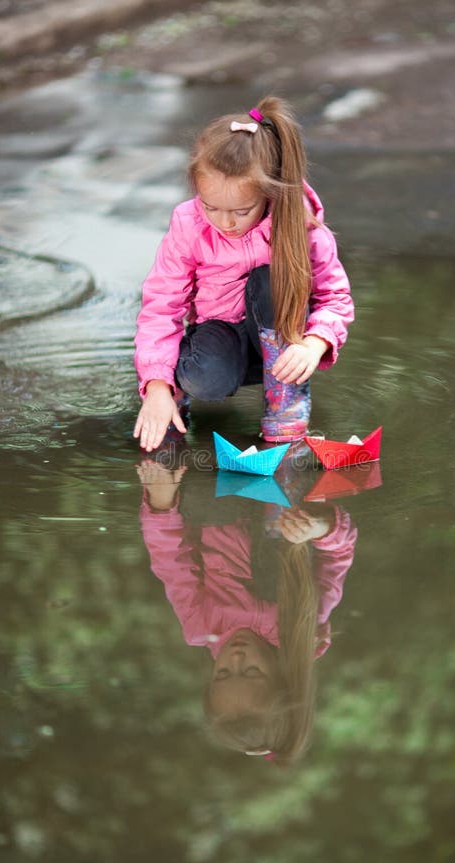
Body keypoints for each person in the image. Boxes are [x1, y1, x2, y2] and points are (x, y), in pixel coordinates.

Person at [133, 96, 354, 452]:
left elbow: (335, 298)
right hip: (220, 335)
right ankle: (174, 392)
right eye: (211, 207)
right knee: (204, 380)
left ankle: (285, 402)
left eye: (240, 210)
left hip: (283, 340)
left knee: (270, 280)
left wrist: (315, 344)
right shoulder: (188, 226)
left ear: (268, 193)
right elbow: (162, 307)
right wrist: (157, 386)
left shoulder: (301, 225)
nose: (225, 222)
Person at [137, 460, 358, 767]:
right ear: (282, 676)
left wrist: (161, 506)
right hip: (282, 487)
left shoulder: (201, 625)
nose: (236, 657)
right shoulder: (302, 622)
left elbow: (170, 561)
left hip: (216, 490)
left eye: (223, 673)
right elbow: (341, 550)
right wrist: (320, 528)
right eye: (252, 671)